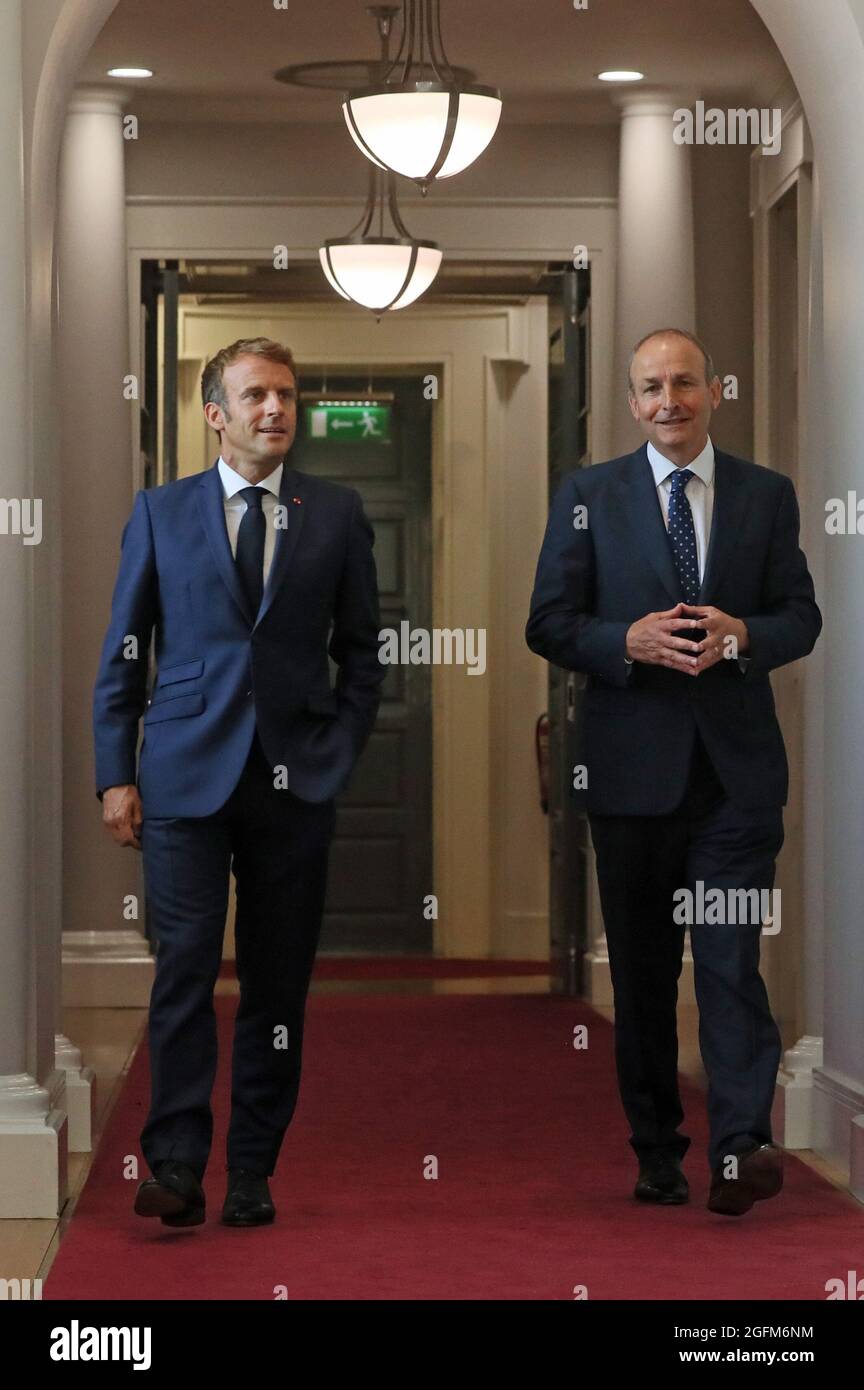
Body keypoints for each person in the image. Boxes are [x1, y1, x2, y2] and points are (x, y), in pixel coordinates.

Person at [526, 328, 822, 1215]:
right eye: (651, 387)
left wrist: (743, 636)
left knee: (730, 963)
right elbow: (547, 622)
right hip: (629, 781)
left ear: (714, 389)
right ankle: (658, 1148)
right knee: (647, 976)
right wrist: (624, 641)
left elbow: (800, 618)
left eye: (685, 382)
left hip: (735, 783)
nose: (669, 401)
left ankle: (738, 1148)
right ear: (632, 402)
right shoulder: (589, 496)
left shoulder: (767, 498)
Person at [93, 337, 384, 1227]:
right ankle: (176, 1164)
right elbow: (124, 652)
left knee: (276, 983)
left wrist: (337, 749)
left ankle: (253, 1169)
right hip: (182, 777)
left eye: (288, 395)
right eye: (256, 395)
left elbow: (365, 651)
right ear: (215, 413)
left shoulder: (334, 512)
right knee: (182, 971)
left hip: (294, 784)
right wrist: (115, 774)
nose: (276, 410)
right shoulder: (160, 511)